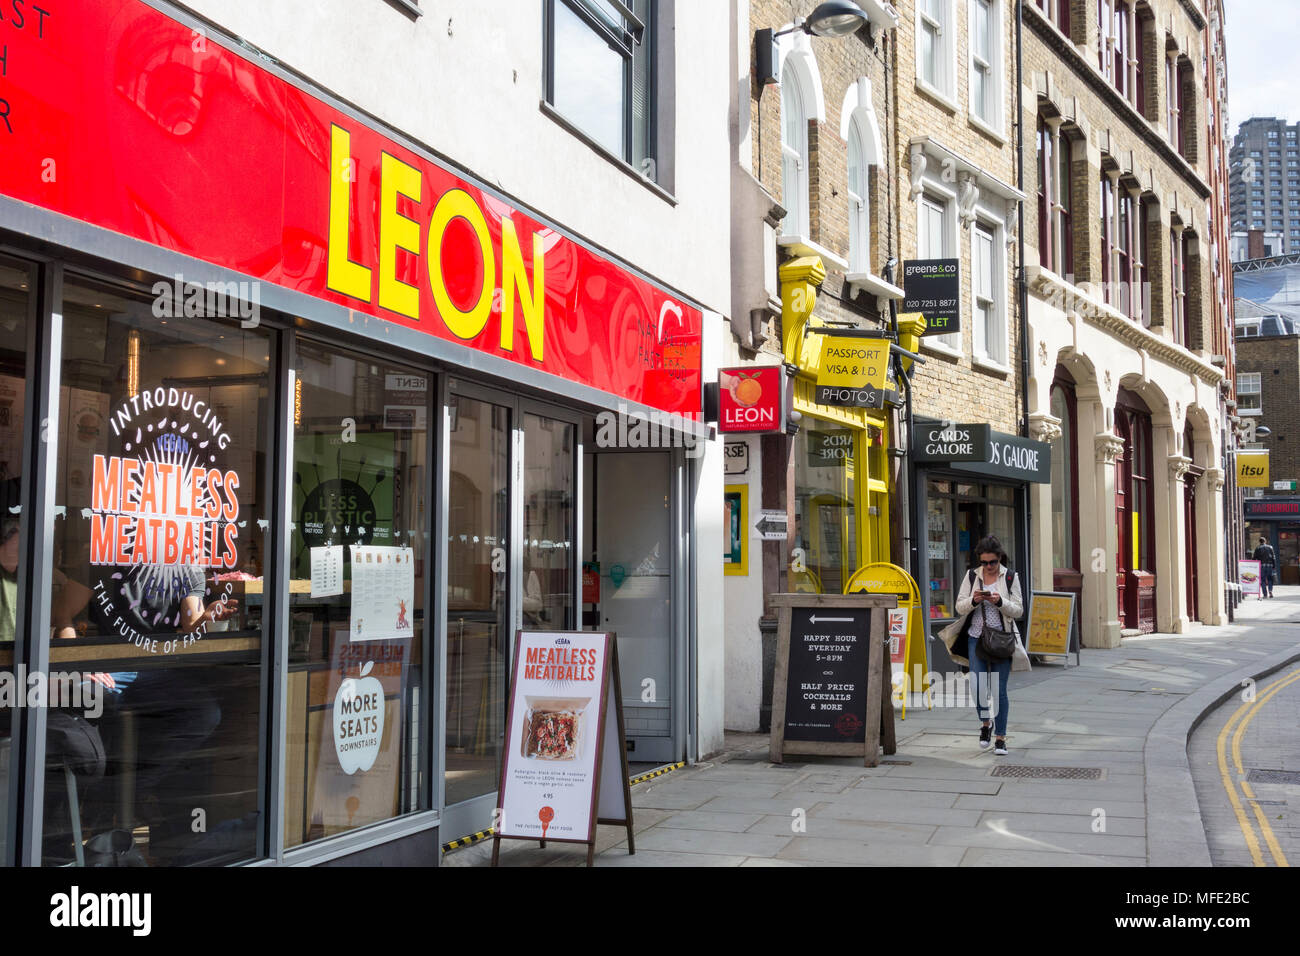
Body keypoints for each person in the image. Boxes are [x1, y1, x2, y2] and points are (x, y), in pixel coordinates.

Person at [940, 535, 1030, 755]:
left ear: (999, 558)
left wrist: (999, 601)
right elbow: (960, 607)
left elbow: (1019, 610)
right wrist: (975, 600)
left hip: (1001, 640)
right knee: (977, 687)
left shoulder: (1010, 577)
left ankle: (1000, 738)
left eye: (992, 562)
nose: (989, 567)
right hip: (975, 637)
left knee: (999, 691)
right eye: (984, 562)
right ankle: (985, 723)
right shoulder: (971, 577)